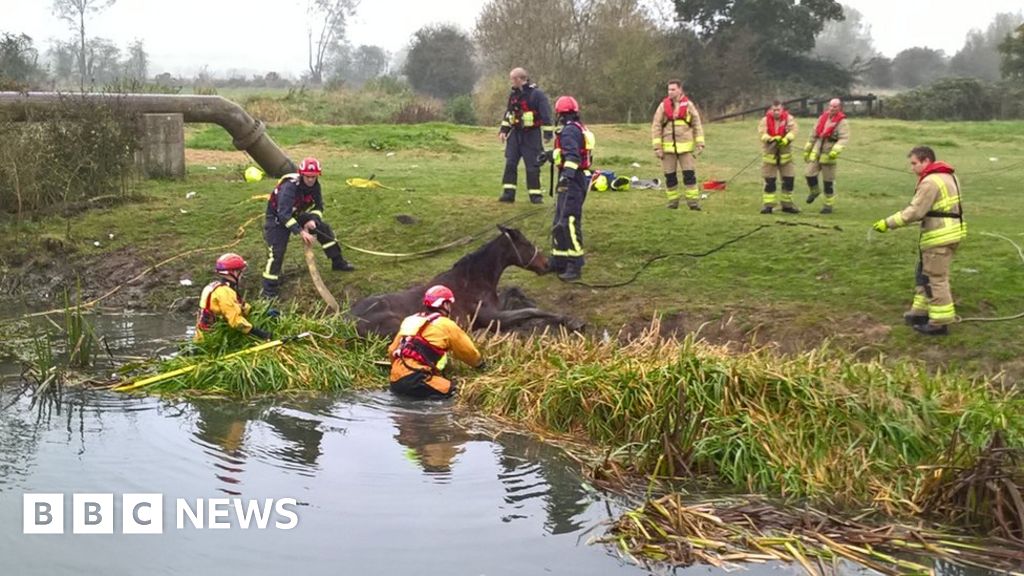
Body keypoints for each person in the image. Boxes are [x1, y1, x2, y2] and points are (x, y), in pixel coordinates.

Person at [872, 146, 966, 336]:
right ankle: (920, 312)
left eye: (914, 163)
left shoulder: (930, 182)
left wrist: (887, 223)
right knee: (923, 274)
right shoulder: (949, 176)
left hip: (938, 235)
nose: (912, 168)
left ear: (926, 161)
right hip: (949, 232)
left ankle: (939, 323)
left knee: (935, 278)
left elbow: (915, 212)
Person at [261, 156, 354, 299]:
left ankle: (338, 262)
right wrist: (300, 231)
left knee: (324, 229)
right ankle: (269, 291)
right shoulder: (289, 186)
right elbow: (283, 214)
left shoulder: (316, 186)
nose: (311, 180)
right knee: (277, 252)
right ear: (302, 174)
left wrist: (313, 220)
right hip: (277, 220)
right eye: (308, 177)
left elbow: (319, 206)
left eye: (314, 177)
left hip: (297, 213)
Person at [388, 285, 486, 399]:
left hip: (395, 380)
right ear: (444, 304)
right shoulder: (446, 324)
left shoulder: (410, 320)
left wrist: (399, 371)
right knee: (458, 393)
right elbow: (468, 352)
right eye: (448, 303)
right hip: (416, 380)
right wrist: (481, 366)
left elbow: (392, 350)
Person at [548, 95, 593, 282]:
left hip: (573, 181)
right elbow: (565, 153)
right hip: (574, 179)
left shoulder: (568, 132)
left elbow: (573, 157)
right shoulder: (576, 129)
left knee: (569, 222)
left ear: (560, 113)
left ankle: (575, 265)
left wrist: (566, 177)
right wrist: (548, 155)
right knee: (559, 220)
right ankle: (559, 260)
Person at [498, 67, 553, 204]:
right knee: (510, 163)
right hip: (515, 135)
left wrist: (547, 134)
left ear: (519, 79)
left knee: (532, 165)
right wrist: (504, 131)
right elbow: (509, 114)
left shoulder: (537, 95)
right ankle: (508, 193)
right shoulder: (514, 95)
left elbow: (546, 114)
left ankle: (535, 195)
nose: (511, 82)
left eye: (512, 79)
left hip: (531, 135)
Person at [651, 80, 705, 210]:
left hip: (685, 149)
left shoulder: (689, 106)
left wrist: (700, 143)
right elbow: (656, 126)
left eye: (673, 89)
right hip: (668, 149)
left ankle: (693, 203)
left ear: (680, 90)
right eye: (669, 90)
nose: (670, 92)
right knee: (670, 177)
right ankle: (672, 203)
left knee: (689, 176)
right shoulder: (663, 107)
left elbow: (697, 124)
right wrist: (657, 148)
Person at [195, 253, 271, 342]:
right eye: (240, 272)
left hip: (203, 336)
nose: (242, 275)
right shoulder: (225, 292)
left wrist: (259, 312)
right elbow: (235, 321)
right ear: (234, 272)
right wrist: (261, 334)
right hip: (213, 340)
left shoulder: (216, 286)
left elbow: (238, 305)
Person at [804, 98, 850, 214]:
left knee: (828, 182)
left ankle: (828, 205)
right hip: (817, 150)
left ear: (839, 108)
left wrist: (835, 151)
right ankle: (814, 191)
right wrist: (808, 147)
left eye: (835, 107)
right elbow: (814, 133)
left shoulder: (842, 122)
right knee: (809, 174)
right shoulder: (822, 118)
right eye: (831, 106)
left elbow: (844, 138)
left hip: (829, 153)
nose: (832, 108)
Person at [757, 101, 799, 214]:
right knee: (769, 181)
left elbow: (794, 131)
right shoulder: (764, 120)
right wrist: (771, 139)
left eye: (778, 110)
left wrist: (786, 139)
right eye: (774, 110)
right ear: (771, 110)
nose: (776, 112)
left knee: (789, 180)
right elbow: (762, 133)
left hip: (786, 156)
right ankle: (768, 206)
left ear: (782, 110)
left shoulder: (789, 119)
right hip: (770, 155)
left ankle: (787, 205)